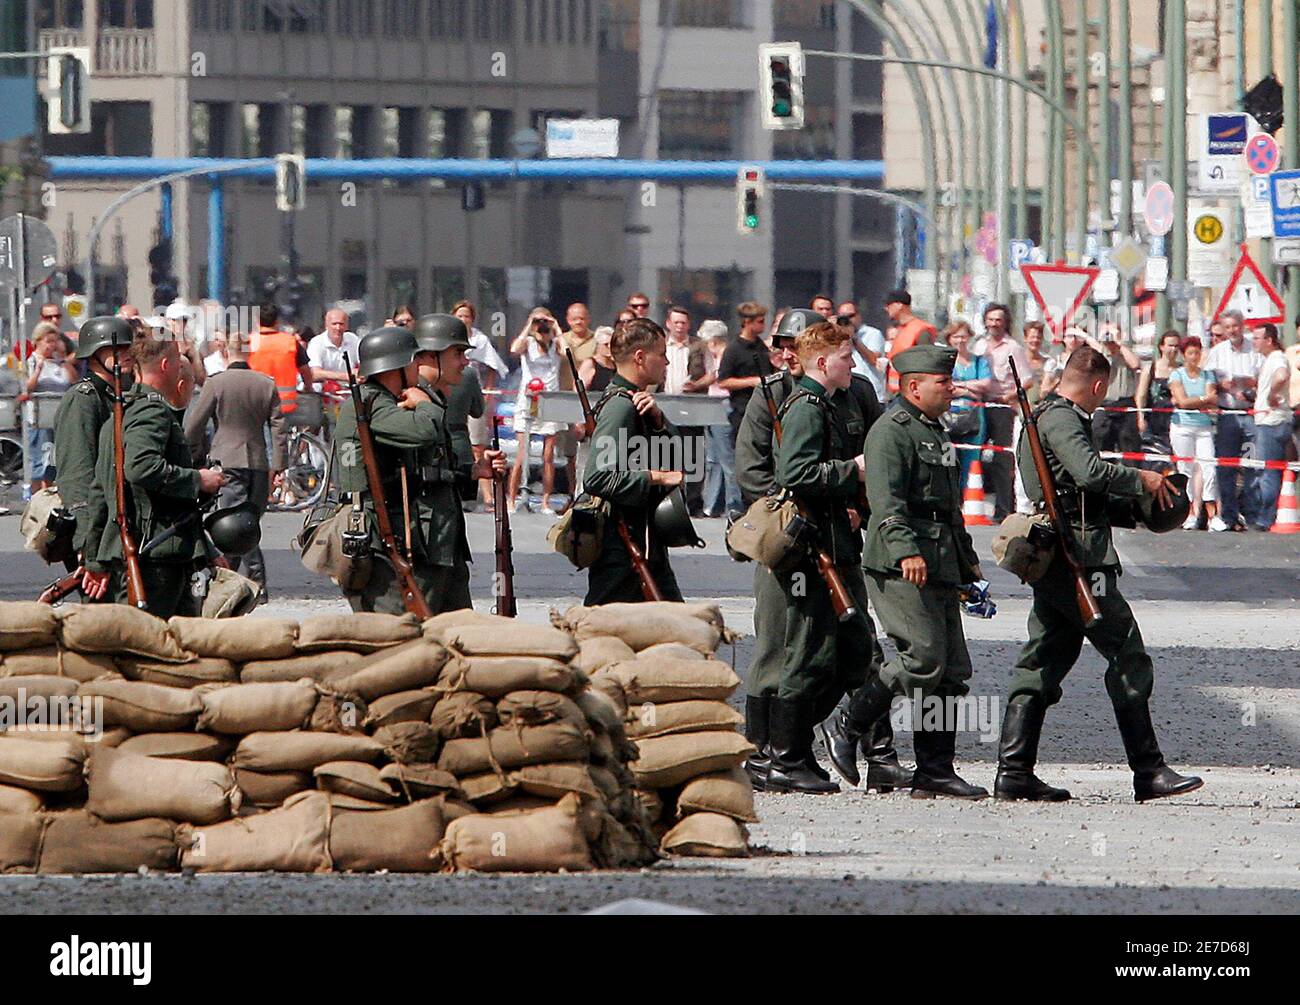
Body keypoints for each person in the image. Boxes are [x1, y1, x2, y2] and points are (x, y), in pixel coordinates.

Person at [997, 347, 1202, 803]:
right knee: (1126, 651)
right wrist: (1143, 480)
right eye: (1104, 392)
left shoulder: (1047, 414)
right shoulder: (1064, 418)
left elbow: (1077, 492)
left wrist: (1136, 510)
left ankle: (1014, 771)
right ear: (1097, 386)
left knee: (1044, 659)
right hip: (1077, 559)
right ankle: (1148, 771)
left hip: (1062, 553)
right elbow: (1088, 475)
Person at [826, 344, 987, 799]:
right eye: (945, 383)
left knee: (951, 671)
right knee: (922, 658)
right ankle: (848, 723)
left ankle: (934, 771)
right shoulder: (890, 433)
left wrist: (967, 562)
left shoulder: (933, 431)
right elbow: (887, 502)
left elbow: (950, 509)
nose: (952, 389)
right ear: (913, 386)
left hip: (939, 562)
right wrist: (904, 552)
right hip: (901, 565)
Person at [756, 320, 876, 795]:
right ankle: (785, 758)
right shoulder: (806, 406)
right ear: (823, 362)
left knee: (850, 651)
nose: (853, 365)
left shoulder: (824, 403)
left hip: (835, 543)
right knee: (807, 654)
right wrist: (853, 471)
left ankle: (800, 745)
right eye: (847, 358)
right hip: (812, 552)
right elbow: (795, 472)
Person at [333, 323, 503, 615]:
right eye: (413, 360)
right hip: (388, 538)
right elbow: (424, 431)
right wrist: (424, 404)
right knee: (401, 633)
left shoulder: (388, 401)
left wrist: (472, 472)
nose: (417, 366)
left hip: (420, 536)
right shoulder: (374, 404)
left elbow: (427, 467)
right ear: (394, 367)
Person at [80, 334, 226, 617]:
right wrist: (199, 480)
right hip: (156, 552)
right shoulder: (151, 410)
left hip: (145, 549)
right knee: (158, 643)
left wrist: (95, 557)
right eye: (176, 362)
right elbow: (141, 467)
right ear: (164, 365)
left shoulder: (123, 413)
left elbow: (101, 489)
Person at [582, 318, 685, 606]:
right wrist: (656, 477)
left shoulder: (638, 403)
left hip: (644, 542)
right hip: (623, 546)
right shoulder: (619, 407)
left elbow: (677, 454)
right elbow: (597, 477)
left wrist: (659, 421)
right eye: (661, 354)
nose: (666, 362)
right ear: (640, 357)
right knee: (600, 632)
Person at [183, 331, 286, 599]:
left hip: (226, 459)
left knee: (235, 525)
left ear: (225, 353)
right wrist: (279, 464)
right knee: (247, 521)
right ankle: (243, 584)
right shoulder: (266, 384)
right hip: (259, 461)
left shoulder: (217, 384)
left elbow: (195, 425)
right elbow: (278, 429)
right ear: (249, 352)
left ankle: (252, 583)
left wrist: (192, 453)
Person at [52, 316, 134, 595]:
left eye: (127, 349)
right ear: (95, 354)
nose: (126, 356)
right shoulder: (84, 399)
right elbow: (77, 474)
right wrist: (87, 543)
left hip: (117, 524)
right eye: (117, 350)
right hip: (96, 532)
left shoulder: (119, 396)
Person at [1204, 310, 1264, 531]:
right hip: (1227, 416)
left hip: (1250, 416)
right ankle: (1229, 515)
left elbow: (1263, 380)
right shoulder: (1217, 352)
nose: (1232, 331)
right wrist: (1221, 386)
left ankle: (1252, 514)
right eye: (1227, 327)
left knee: (1252, 465)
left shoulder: (1254, 351)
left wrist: (1250, 385)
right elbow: (1207, 382)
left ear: (1242, 326)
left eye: (1235, 326)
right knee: (1226, 467)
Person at [452, 301, 510, 509]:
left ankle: (486, 496)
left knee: (479, 447)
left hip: (474, 398)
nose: (463, 319)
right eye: (460, 316)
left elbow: (493, 366)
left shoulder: (480, 339)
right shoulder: (447, 338)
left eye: (467, 316)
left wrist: (487, 394)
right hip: (453, 399)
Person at [977, 303, 1032, 520]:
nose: (994, 324)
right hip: (979, 406)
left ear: (1005, 322)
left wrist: (1008, 397)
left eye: (998, 320)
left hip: (1002, 408)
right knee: (975, 455)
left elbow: (1027, 380)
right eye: (990, 319)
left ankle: (1003, 509)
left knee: (1002, 460)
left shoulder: (1013, 347)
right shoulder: (979, 346)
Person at [508, 307, 564, 514]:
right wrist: (529, 325)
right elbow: (514, 349)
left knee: (548, 455)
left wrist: (556, 327)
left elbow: (567, 353)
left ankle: (546, 502)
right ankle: (512, 499)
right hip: (528, 399)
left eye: (544, 324)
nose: (542, 329)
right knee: (522, 453)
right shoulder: (528, 344)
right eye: (539, 325)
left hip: (549, 400)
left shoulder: (556, 345)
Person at [1167, 336, 1221, 531]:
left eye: (1197, 352)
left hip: (1203, 426)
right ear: (1184, 355)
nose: (1194, 356)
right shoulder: (1176, 375)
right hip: (1182, 427)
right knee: (1185, 469)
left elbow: (1213, 398)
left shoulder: (1208, 375)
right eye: (1190, 353)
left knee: (1209, 467)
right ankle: (1188, 512)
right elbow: (1182, 401)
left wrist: (1196, 400)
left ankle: (1211, 513)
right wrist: (1203, 399)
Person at [662, 305, 709, 516]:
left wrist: (697, 386)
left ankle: (695, 502)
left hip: (692, 407)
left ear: (689, 325)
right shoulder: (661, 345)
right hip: (665, 406)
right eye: (676, 322)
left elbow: (713, 373)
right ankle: (671, 499)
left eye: (683, 322)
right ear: (668, 324)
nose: (680, 326)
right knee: (666, 454)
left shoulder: (699, 346)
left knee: (694, 456)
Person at [22, 324, 79, 493]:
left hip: (60, 416)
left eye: (55, 341)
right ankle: (38, 493)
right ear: (38, 342)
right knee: (41, 458)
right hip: (40, 418)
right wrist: (38, 369)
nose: (52, 346)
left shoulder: (59, 362)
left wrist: (64, 362)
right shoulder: (32, 360)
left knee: (55, 458)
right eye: (48, 341)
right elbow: (27, 387)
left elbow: (74, 382)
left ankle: (53, 490)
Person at [1251, 323, 1292, 530]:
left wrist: (1271, 394)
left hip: (1272, 421)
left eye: (1257, 338)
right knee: (1268, 470)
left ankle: (1265, 518)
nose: (1254, 342)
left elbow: (1282, 375)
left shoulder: (1277, 358)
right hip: (1271, 420)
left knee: (1269, 472)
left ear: (1269, 340)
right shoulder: (1269, 359)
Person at [943, 321, 993, 488]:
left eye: (964, 336)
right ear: (949, 339)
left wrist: (960, 386)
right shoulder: (945, 361)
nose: (960, 340)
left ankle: (968, 496)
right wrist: (970, 389)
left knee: (971, 459)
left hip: (974, 418)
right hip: (948, 416)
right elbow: (946, 387)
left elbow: (986, 384)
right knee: (948, 458)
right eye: (956, 336)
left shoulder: (979, 361)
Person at [698, 320, 739, 518]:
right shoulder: (715, 356)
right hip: (711, 407)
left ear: (713, 341)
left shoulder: (726, 355)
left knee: (727, 460)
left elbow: (716, 377)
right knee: (713, 459)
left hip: (724, 407)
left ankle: (734, 504)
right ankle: (712, 503)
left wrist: (694, 385)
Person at [715, 302, 772, 446]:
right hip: (742, 410)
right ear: (747, 322)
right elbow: (723, 381)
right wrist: (752, 381)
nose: (763, 325)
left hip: (764, 409)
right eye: (760, 322)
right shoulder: (733, 349)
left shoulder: (761, 346)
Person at [250, 301, 313, 421]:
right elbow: (305, 371)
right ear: (277, 321)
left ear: (257, 321)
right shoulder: (290, 342)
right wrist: (308, 388)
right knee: (280, 438)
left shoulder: (249, 343)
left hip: (255, 404)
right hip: (284, 406)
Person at [1091, 324, 1143, 462]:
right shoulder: (1099, 354)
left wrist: (1119, 343)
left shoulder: (1125, 353)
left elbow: (1135, 364)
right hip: (1104, 404)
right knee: (1101, 446)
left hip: (1125, 404)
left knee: (1129, 447)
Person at [883, 289, 938, 397]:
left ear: (899, 305)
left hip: (912, 394)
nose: (886, 308)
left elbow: (928, 364)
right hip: (896, 393)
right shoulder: (899, 330)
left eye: (889, 304)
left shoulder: (919, 330)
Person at [1136, 330, 1181, 451]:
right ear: (1162, 347)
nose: (1174, 349)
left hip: (1176, 418)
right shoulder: (1150, 369)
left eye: (1176, 346)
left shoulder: (1181, 369)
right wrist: (1140, 417)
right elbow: (1141, 395)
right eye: (1170, 345)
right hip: (1154, 418)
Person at [306, 308, 361, 393]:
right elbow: (314, 374)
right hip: (324, 395)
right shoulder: (316, 343)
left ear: (347, 325)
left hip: (349, 392)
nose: (338, 328)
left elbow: (364, 362)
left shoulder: (353, 339)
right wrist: (346, 376)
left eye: (341, 324)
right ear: (326, 325)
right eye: (334, 324)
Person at [841, 300, 886, 400]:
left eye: (851, 316)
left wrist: (854, 338)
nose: (848, 320)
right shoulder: (839, 335)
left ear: (859, 316)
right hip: (850, 391)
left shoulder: (873, 333)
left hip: (873, 393)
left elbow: (874, 359)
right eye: (844, 317)